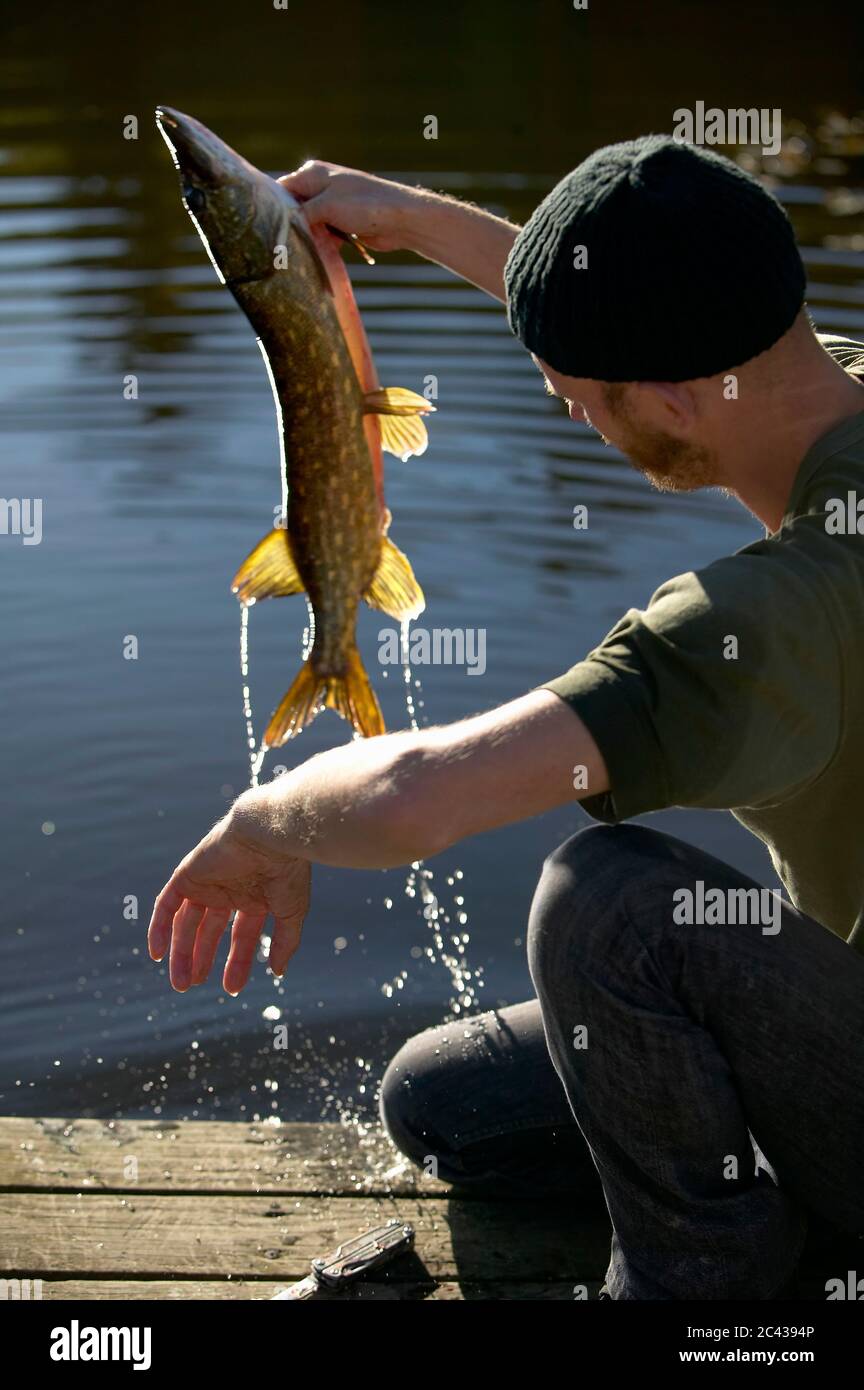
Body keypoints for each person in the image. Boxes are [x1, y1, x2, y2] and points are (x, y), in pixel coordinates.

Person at [148, 136, 864, 1300]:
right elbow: (631, 314)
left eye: (578, 396)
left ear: (678, 396)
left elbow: (416, 796)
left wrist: (265, 817)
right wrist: (414, 219)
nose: (559, 396)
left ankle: (707, 1290)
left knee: (609, 910)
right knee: (449, 1104)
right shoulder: (817, 381)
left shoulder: (777, 619)